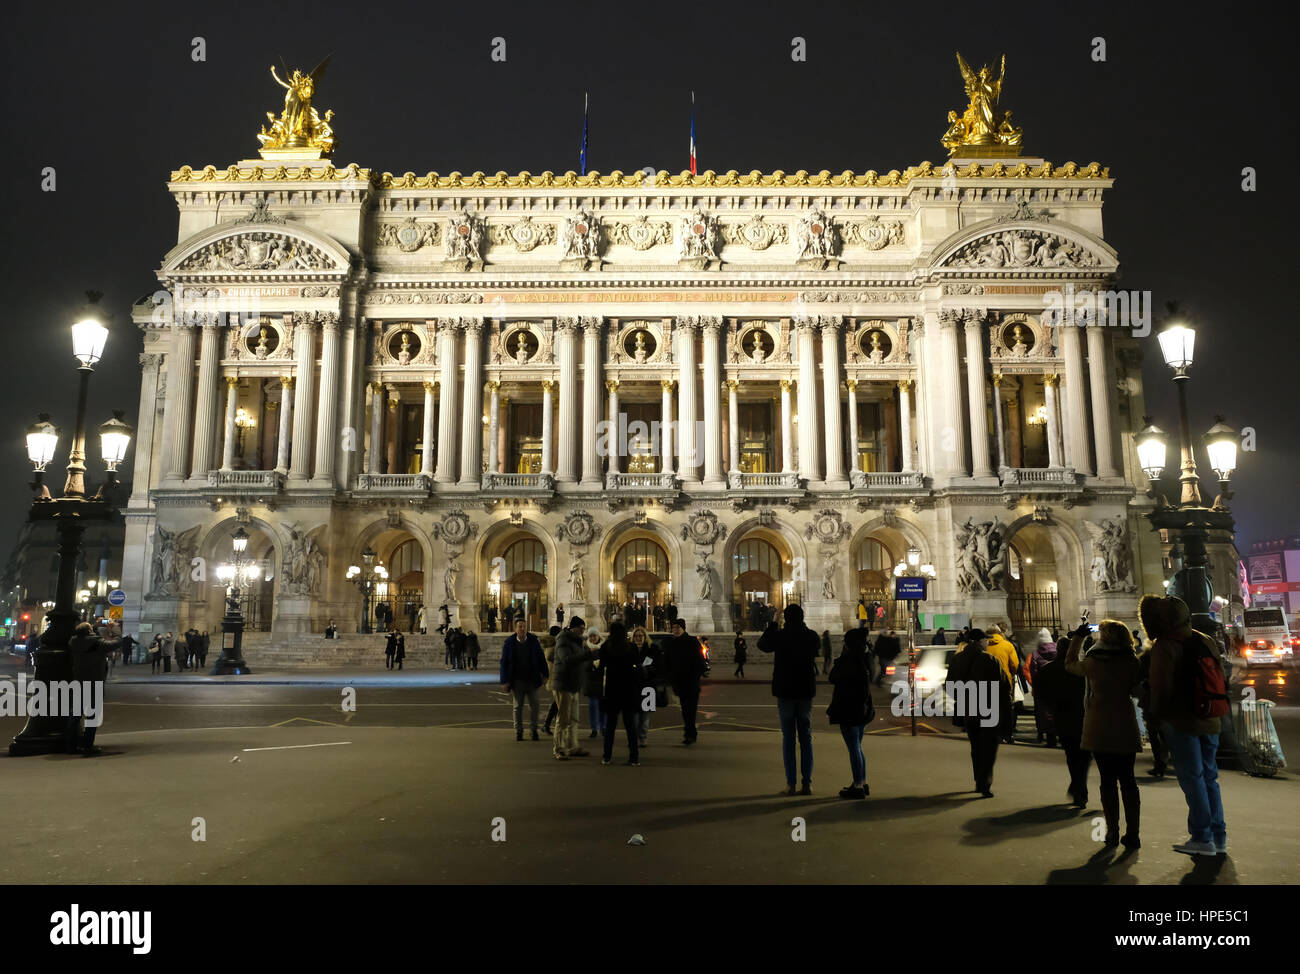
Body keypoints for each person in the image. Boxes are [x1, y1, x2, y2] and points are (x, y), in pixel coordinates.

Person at [1142, 594, 1229, 857]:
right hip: (1210, 718)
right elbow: (1222, 674)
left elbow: (1161, 688)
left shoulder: (1165, 646)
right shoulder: (1204, 639)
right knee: (1210, 778)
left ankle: (1202, 838)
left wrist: (1155, 715)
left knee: (1193, 780)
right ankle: (1218, 836)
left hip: (1182, 721)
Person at [1066, 619, 1141, 850]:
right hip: (1125, 722)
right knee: (1128, 780)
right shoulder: (1131, 661)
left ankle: (1112, 832)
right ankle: (1133, 834)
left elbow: (1069, 664)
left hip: (1099, 724)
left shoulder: (1093, 661)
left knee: (1107, 781)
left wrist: (1077, 638)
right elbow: (1139, 687)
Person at [758, 603, 820, 796]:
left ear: (785, 618)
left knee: (788, 740)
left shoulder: (780, 636)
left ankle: (790, 784)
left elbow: (762, 645)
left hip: (785, 692)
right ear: (802, 617)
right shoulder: (811, 636)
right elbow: (816, 649)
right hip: (804, 692)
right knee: (806, 739)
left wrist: (773, 623)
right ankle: (807, 783)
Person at [944, 629, 1009, 797]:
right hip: (989, 708)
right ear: (979, 641)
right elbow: (1003, 686)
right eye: (985, 640)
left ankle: (978, 779)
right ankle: (984, 782)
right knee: (989, 746)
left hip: (969, 708)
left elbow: (950, 686)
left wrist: (964, 698)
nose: (987, 642)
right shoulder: (989, 659)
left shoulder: (957, 659)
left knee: (976, 746)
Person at [1035, 625, 1091, 807]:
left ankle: (1077, 786)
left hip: (1061, 716)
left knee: (1071, 754)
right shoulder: (1080, 669)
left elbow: (1041, 693)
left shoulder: (1049, 670)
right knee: (1084, 755)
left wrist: (1052, 708)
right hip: (1082, 716)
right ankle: (1079, 787)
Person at [828, 627, 873, 799]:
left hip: (849, 710)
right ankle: (861, 781)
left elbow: (833, 677)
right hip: (861, 710)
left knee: (854, 748)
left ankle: (858, 785)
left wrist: (841, 656)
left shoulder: (849, 660)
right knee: (857, 747)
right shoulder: (864, 657)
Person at [67, 622, 119, 756]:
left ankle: (71, 746)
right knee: (92, 717)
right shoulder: (97, 643)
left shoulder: (72, 642)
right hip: (94, 682)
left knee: (75, 716)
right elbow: (117, 642)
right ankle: (87, 746)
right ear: (89, 631)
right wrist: (114, 629)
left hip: (78, 682)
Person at [597, 621, 642, 766]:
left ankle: (607, 756)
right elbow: (637, 668)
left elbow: (601, 668)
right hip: (628, 690)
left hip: (612, 690)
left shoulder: (606, 647)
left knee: (610, 726)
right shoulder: (630, 647)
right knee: (630, 726)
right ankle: (634, 757)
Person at [500, 616, 548, 741]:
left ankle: (534, 730)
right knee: (518, 707)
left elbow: (541, 659)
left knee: (535, 706)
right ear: (515, 629)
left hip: (532, 679)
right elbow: (504, 662)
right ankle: (519, 731)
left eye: (524, 626)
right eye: (520, 626)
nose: (522, 628)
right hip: (517, 681)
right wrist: (504, 681)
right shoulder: (509, 643)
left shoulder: (533, 641)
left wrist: (545, 674)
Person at [551, 616, 594, 759]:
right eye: (580, 628)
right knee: (563, 718)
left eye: (584, 629)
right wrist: (587, 655)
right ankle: (559, 748)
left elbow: (580, 660)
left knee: (574, 718)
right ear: (573, 628)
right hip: (563, 684)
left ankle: (573, 746)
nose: (583, 631)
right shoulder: (563, 639)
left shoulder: (578, 641)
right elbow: (567, 660)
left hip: (574, 684)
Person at [664, 618, 706, 746]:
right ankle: (689, 733)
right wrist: (671, 678)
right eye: (673, 628)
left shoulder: (692, 641)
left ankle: (690, 735)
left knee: (690, 711)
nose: (675, 630)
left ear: (683, 628)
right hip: (679, 684)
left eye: (678, 628)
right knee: (685, 710)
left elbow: (700, 662)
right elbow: (667, 663)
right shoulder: (672, 643)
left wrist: (694, 677)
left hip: (691, 683)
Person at [1135, 641, 1169, 778]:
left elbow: (1137, 677)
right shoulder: (1171, 654)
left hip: (1151, 699)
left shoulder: (1146, 657)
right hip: (1170, 700)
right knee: (1168, 733)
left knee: (1154, 733)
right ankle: (1172, 761)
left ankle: (1159, 763)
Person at [984, 624, 1021, 743]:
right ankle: (1007, 735)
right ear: (1000, 633)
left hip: (987, 681)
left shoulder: (984, 646)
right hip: (1004, 681)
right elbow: (1015, 665)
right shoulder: (1007, 645)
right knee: (1006, 709)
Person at [1027, 628, 1058, 747]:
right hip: (1057, 686)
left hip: (1042, 687)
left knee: (1045, 712)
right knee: (1057, 711)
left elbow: (1033, 672)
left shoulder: (1036, 654)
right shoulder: (1058, 650)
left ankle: (1050, 739)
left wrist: (1035, 686)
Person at [633, 625, 660, 746]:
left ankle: (643, 737)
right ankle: (633, 737)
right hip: (633, 686)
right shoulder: (630, 649)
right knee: (634, 716)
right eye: (636, 636)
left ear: (645, 637)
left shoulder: (651, 649)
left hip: (648, 686)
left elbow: (656, 665)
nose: (638, 638)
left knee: (645, 716)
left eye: (641, 636)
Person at [584, 627, 606, 739]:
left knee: (603, 706)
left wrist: (600, 664)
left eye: (594, 635)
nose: (592, 638)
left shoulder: (604, 647)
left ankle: (603, 727)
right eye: (591, 636)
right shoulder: (586, 648)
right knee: (593, 706)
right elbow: (583, 664)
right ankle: (594, 728)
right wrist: (592, 665)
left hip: (602, 681)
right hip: (591, 681)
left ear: (598, 636)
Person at [541, 626, 560, 735]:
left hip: (553, 676)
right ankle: (547, 724)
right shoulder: (552, 646)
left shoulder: (551, 645)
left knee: (557, 703)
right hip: (553, 676)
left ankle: (547, 724)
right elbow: (550, 658)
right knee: (558, 703)